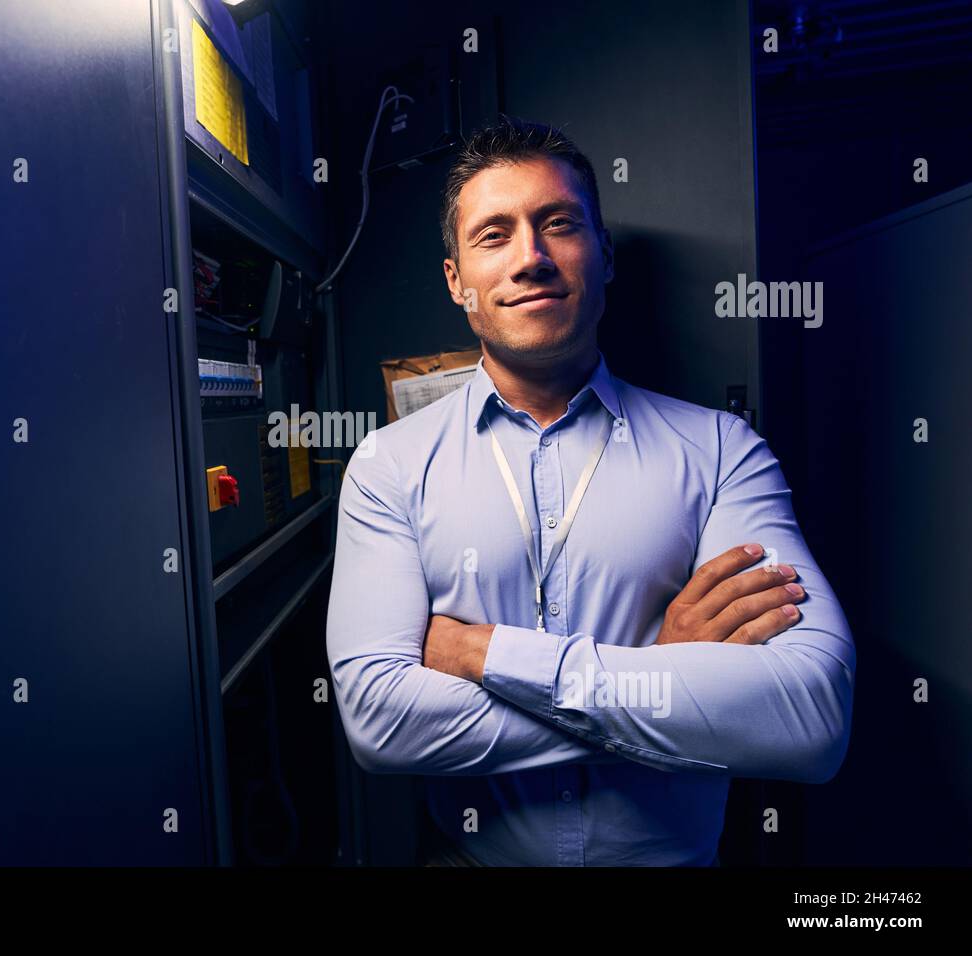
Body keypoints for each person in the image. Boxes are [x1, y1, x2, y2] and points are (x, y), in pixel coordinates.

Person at [325, 116, 855, 866]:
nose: (530, 258)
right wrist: (662, 673)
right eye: (493, 235)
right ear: (457, 282)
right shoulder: (388, 466)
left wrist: (486, 654)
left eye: (559, 225)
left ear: (603, 256)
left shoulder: (721, 453)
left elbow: (811, 719)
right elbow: (381, 725)